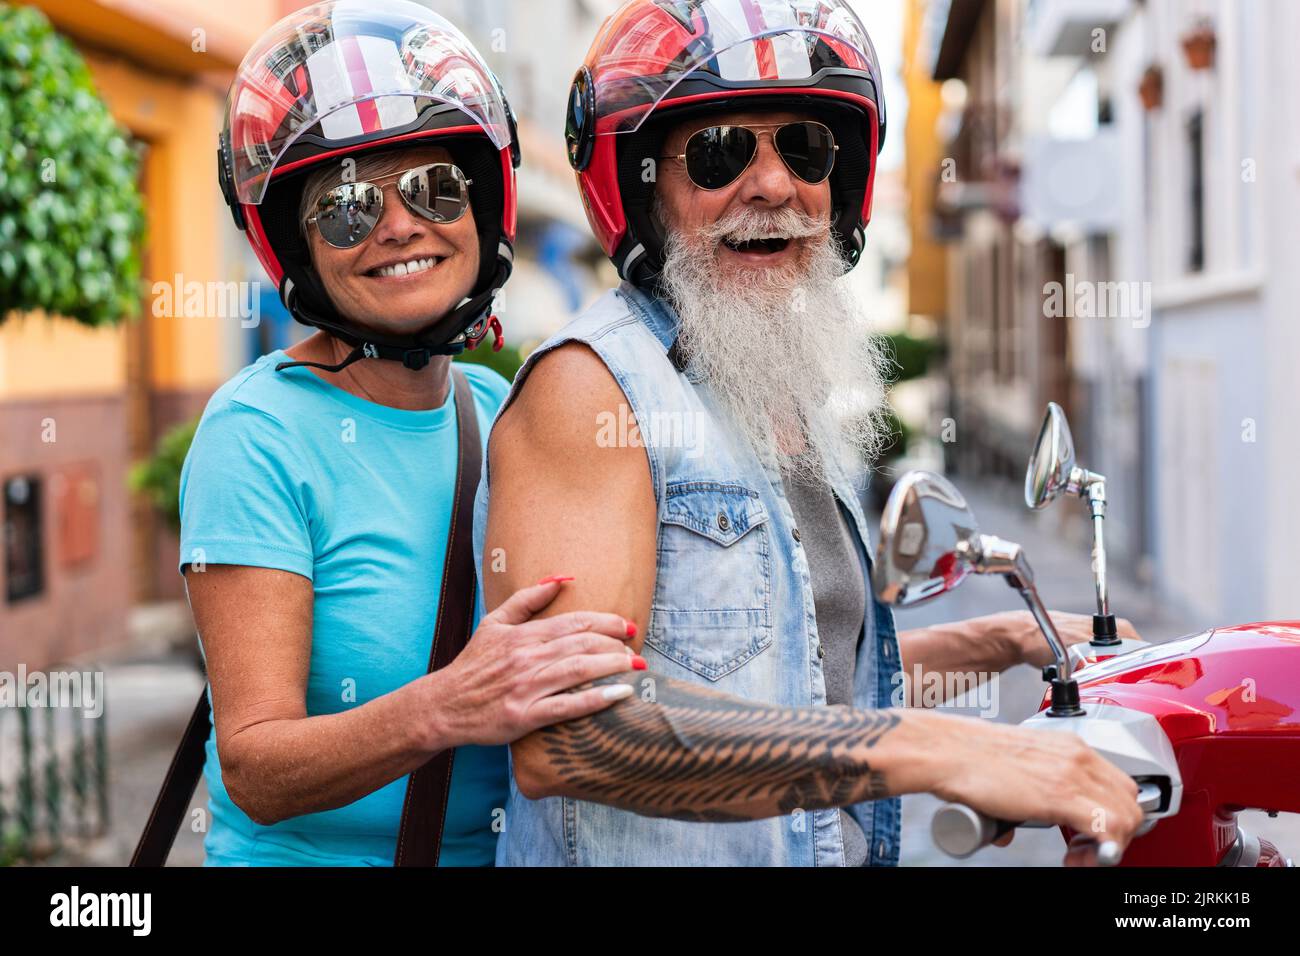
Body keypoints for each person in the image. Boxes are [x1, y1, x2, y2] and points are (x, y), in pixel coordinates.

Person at [475, 0, 1143, 867]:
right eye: (718, 153)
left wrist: (1004, 642)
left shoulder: (769, 381)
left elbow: (797, 679)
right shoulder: (591, 388)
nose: (774, 186)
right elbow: (574, 737)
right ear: (642, 182)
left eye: (805, 148)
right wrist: (937, 749)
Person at [182, 0, 640, 866]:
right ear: (295, 247)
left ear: (482, 206)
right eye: (346, 208)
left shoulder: (495, 404)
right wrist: (451, 705)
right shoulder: (256, 434)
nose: (399, 226)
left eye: (434, 188)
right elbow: (254, 766)